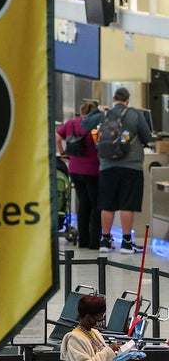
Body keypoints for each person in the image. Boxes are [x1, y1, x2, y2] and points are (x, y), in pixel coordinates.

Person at [81, 87, 154, 253]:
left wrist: (96, 111)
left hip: (107, 165)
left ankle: (105, 241)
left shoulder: (104, 114)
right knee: (127, 204)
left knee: (107, 204)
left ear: (114, 99)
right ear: (127, 100)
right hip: (131, 166)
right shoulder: (135, 114)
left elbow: (84, 125)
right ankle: (127, 243)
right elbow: (148, 137)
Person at [56, 101, 100, 251]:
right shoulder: (95, 125)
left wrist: (62, 152)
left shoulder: (71, 123)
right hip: (93, 169)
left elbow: (57, 137)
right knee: (95, 205)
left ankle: (83, 240)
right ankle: (95, 241)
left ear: (81, 112)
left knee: (83, 204)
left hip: (74, 169)